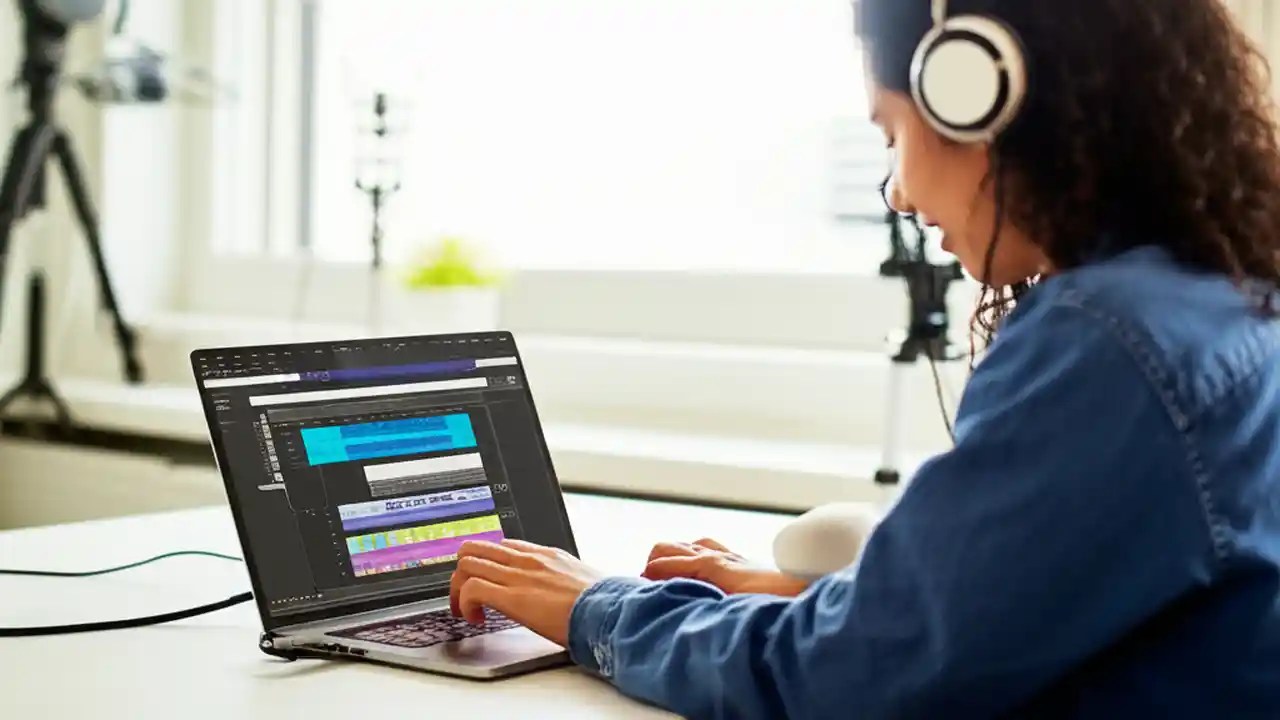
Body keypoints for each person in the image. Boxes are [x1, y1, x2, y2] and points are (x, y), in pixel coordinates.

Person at [449, 0, 1280, 716]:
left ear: (976, 92)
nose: (899, 193)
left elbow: (839, 686)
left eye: (893, 134)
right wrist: (843, 601)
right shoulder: (1222, 299)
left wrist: (598, 609)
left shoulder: (1110, 346)